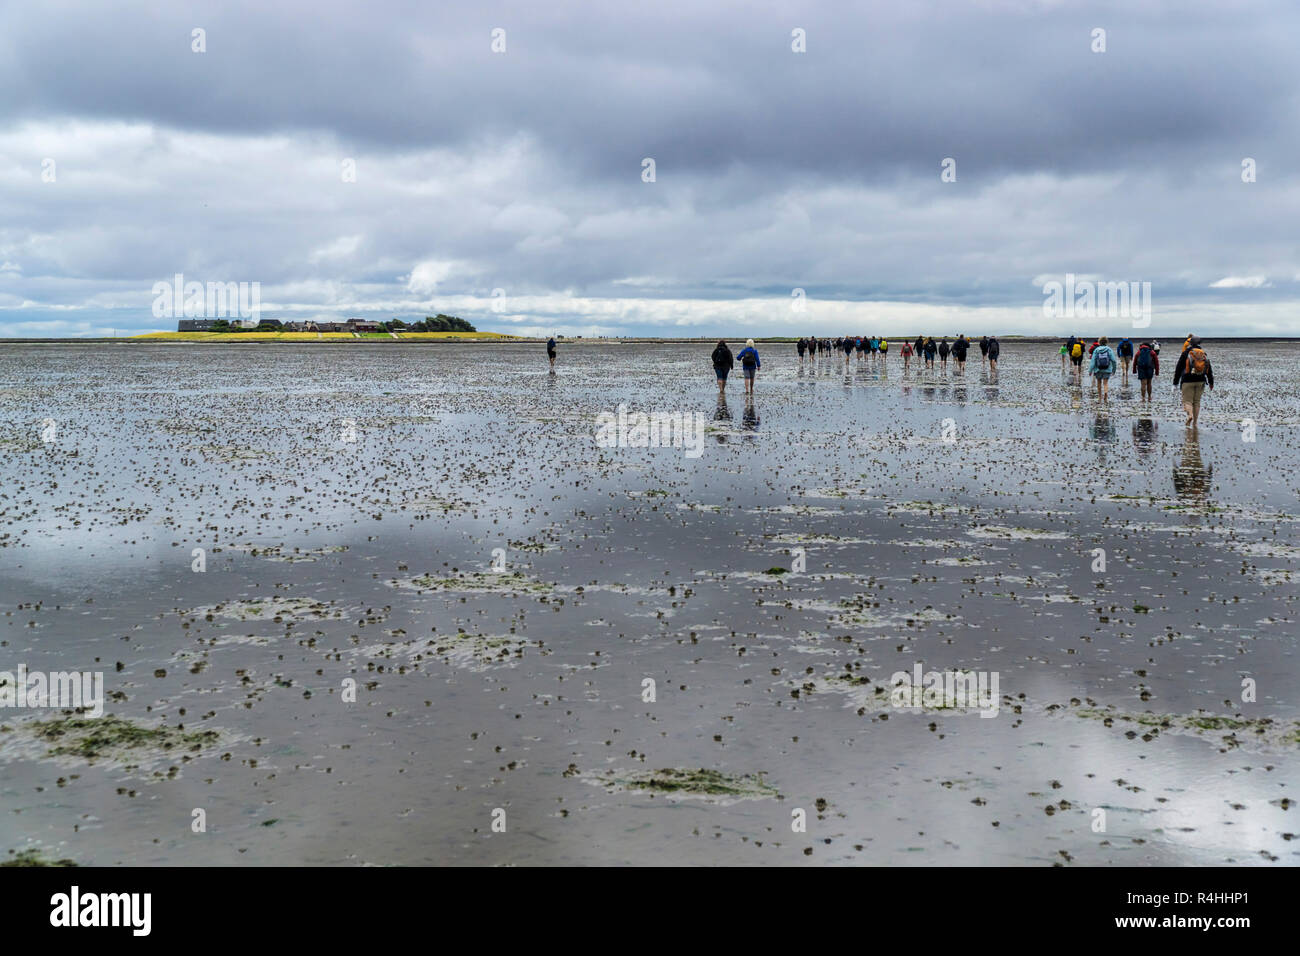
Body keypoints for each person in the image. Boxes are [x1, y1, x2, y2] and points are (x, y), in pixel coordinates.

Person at [1172, 335, 1214, 428]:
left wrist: (1175, 382)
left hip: (1187, 380)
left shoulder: (1186, 353)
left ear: (1190, 343)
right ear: (1199, 343)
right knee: (1197, 402)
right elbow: (1209, 369)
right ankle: (1195, 423)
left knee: (1187, 401)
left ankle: (1190, 415)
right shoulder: (1203, 354)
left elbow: (1178, 368)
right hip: (1201, 381)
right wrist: (1211, 382)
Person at [1089, 335, 1117, 402]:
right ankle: (1106, 395)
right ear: (1106, 342)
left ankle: (1099, 397)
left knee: (1098, 383)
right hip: (1107, 369)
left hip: (1098, 369)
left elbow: (1093, 361)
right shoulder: (1109, 349)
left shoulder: (1096, 350)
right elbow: (1113, 360)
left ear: (1099, 342)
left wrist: (1090, 370)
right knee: (1105, 383)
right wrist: (1114, 370)